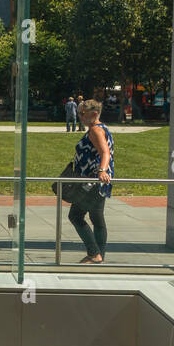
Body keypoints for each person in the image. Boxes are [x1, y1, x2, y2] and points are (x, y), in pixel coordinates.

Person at [69, 98, 114, 265]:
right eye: (79, 113)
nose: (80, 116)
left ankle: (94, 254)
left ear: (94, 114)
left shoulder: (96, 130)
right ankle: (98, 256)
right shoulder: (99, 128)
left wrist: (101, 170)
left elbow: (105, 152)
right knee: (97, 218)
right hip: (96, 180)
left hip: (93, 181)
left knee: (75, 215)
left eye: (82, 113)